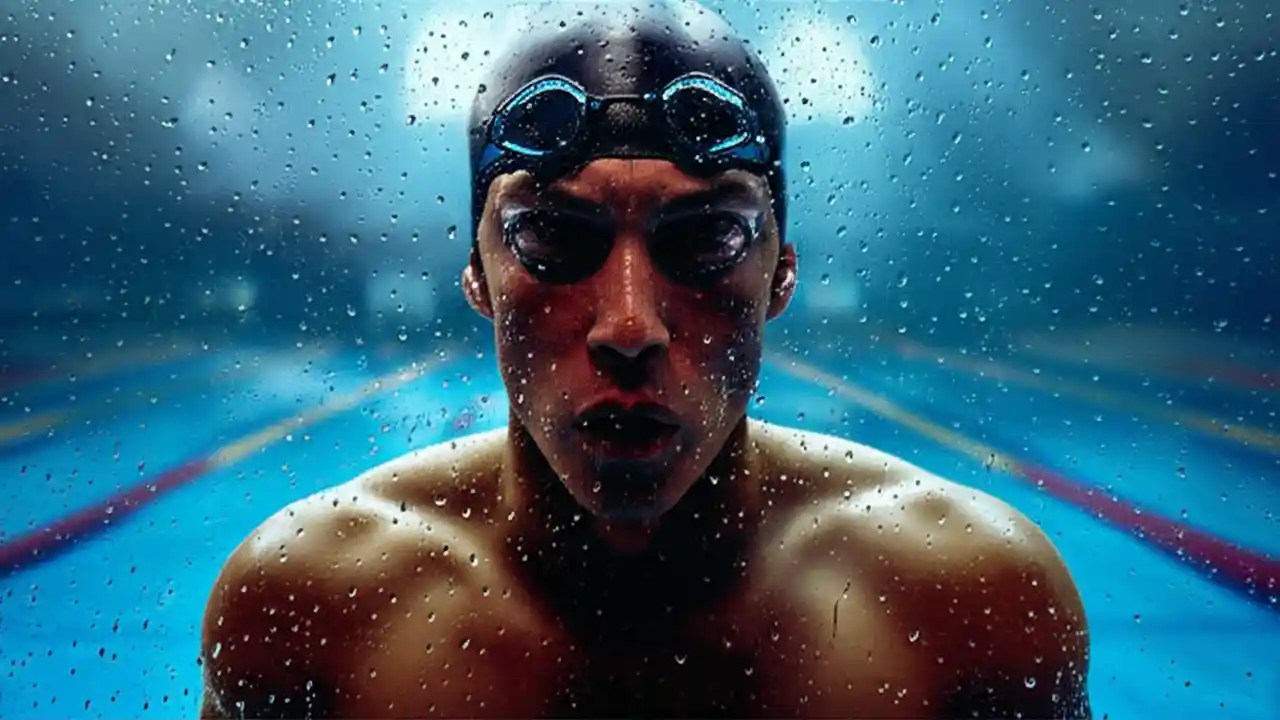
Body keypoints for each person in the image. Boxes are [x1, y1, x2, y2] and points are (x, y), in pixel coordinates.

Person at [199, 2, 1091, 717]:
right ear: (477, 273)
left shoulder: (975, 601)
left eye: (706, 237)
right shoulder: (306, 604)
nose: (630, 326)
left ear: (780, 275)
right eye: (551, 234)